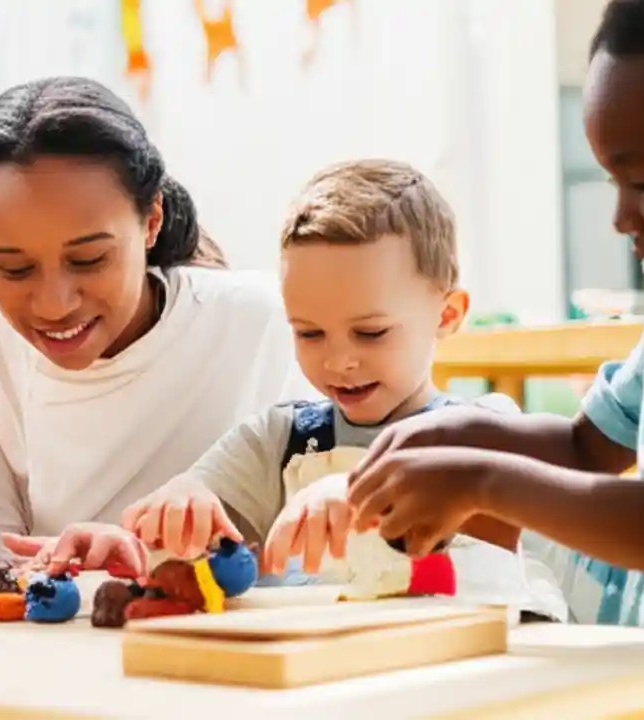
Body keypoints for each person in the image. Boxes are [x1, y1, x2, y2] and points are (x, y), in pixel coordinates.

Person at [345, 0, 644, 632]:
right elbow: (585, 448)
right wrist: (456, 433)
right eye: (613, 184)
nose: (621, 219)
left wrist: (482, 480)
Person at [120, 160, 565, 619]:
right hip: (309, 662)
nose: (338, 362)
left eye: (371, 333)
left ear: (447, 315)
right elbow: (188, 518)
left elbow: (480, 497)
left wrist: (360, 495)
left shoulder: (484, 429)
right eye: (309, 333)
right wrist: (177, 506)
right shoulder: (278, 441)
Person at [0, 76, 311, 571]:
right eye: (14, 269)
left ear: (151, 221)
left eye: (89, 260)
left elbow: (307, 537)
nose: (54, 304)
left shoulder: (261, 322)